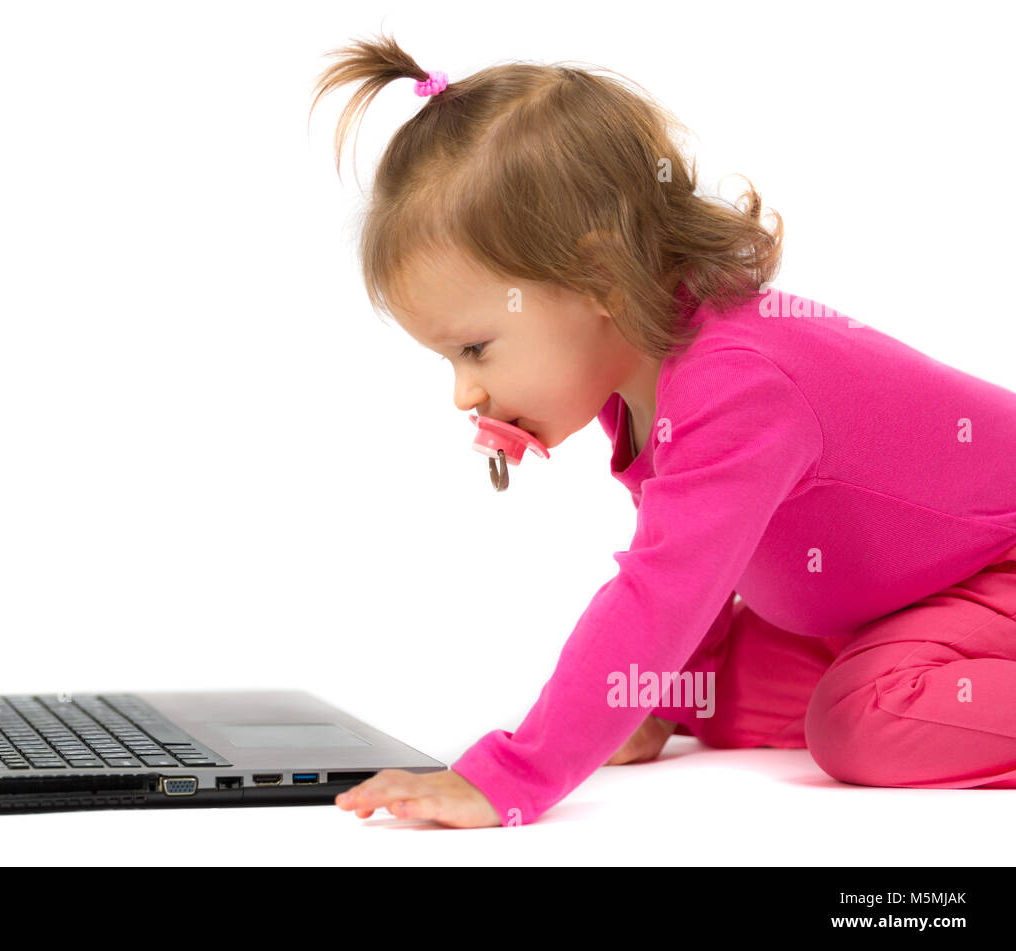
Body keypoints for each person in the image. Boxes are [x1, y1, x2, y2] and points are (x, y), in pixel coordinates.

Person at [308, 34, 1016, 828]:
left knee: (862, 723)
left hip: (997, 568)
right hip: (888, 602)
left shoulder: (737, 381)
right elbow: (703, 569)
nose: (465, 391)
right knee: (697, 688)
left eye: (476, 349)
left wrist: (513, 773)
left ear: (599, 281)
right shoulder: (638, 380)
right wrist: (643, 698)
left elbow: (663, 589)